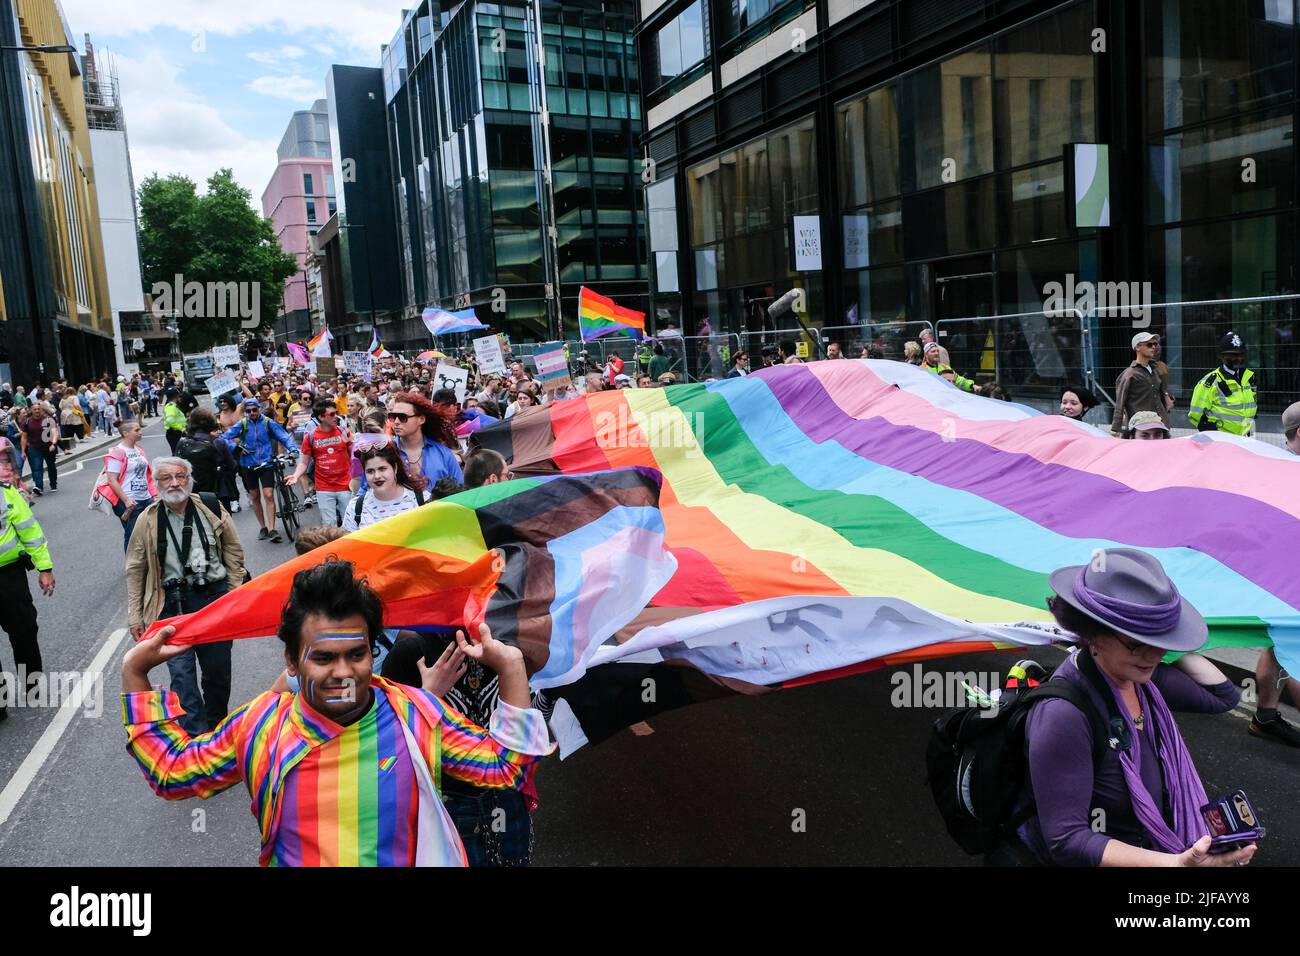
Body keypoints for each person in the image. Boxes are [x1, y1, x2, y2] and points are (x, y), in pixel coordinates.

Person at [120, 559, 553, 866]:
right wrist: (135, 672)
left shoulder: (414, 713)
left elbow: (505, 769)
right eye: (324, 658)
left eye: (357, 654)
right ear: (292, 663)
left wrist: (512, 665)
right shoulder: (260, 725)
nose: (344, 673)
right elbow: (173, 773)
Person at [997, 549, 1253, 867]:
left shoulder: (1142, 677)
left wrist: (1169, 637)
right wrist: (1175, 864)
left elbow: (1223, 696)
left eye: (1160, 641)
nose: (1152, 655)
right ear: (1092, 632)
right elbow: (1066, 839)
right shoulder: (1063, 714)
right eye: (1135, 641)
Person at [125, 457, 245, 736]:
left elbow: (234, 549)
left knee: (218, 673)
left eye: (180, 476)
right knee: (182, 677)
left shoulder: (210, 506)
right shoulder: (147, 519)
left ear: (190, 479)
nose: (175, 483)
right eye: (166, 478)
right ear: (157, 484)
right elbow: (135, 568)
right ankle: (196, 738)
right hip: (172, 604)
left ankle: (217, 729)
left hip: (214, 600)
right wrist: (135, 615)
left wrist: (234, 591)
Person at [1245, 400, 1300, 747]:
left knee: (1280, 646)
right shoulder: (1280, 471)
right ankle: (1264, 715)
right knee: (1292, 644)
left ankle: (1265, 715)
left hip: (1283, 578)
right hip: (1285, 580)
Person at [0, 460, 55, 703]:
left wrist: (45, 568)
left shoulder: (5, 493)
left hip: (9, 576)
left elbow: (30, 531)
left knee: (24, 632)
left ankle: (32, 685)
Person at [221, 398, 296, 544]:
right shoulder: (242, 424)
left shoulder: (268, 422)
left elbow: (283, 436)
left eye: (254, 410)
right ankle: (263, 528)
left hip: (266, 463)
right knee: (255, 495)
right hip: (247, 465)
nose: (251, 413)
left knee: (268, 494)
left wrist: (292, 449)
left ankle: (272, 528)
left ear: (258, 409)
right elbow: (223, 438)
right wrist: (235, 448)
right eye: (248, 411)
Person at [377, 392, 463, 492]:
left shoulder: (444, 455)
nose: (396, 422)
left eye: (402, 417)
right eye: (393, 416)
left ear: (421, 419)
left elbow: (460, 494)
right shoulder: (383, 452)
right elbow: (365, 492)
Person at [287, 399, 353, 529]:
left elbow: (354, 457)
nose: (336, 417)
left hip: (346, 485)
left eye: (336, 413)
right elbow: (304, 462)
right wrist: (295, 475)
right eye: (332, 414)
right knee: (329, 527)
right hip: (324, 487)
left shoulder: (344, 432)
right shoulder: (311, 437)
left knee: (350, 525)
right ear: (321, 417)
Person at [343, 443, 427, 532]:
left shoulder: (422, 499)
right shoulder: (355, 507)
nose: (377, 476)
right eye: (370, 471)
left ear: (395, 468)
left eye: (382, 469)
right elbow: (346, 544)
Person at [100, 420, 157, 551]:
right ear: (126, 433)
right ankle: (133, 568)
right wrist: (126, 500)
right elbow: (112, 479)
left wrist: (153, 494)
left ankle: (147, 564)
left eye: (140, 429)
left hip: (146, 498)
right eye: (136, 430)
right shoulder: (117, 452)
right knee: (132, 536)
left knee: (149, 534)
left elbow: (147, 475)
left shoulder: (139, 450)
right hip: (129, 501)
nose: (140, 432)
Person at [1188, 331, 1258, 436]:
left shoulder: (1249, 378)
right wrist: (1210, 431)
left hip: (1246, 439)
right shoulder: (1210, 382)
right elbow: (1195, 414)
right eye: (1233, 355)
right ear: (1221, 357)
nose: (1237, 359)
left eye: (1240, 355)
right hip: (1222, 441)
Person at [175, 409, 239, 511]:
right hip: (218, 491)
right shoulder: (218, 442)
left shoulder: (183, 443)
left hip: (192, 492)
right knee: (222, 523)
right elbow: (232, 466)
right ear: (210, 422)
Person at [1111, 332, 1172, 437]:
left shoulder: (1155, 370)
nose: (1153, 347)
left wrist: (1167, 398)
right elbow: (1120, 402)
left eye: (1155, 344)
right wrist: (1116, 428)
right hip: (1140, 427)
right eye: (1149, 344)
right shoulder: (1130, 374)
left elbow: (1159, 394)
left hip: (1160, 425)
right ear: (1138, 347)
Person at [19, 403, 59, 495]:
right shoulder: (27, 422)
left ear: (41, 410)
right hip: (34, 448)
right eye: (35, 409)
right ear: (31, 411)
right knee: (37, 467)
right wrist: (23, 451)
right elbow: (24, 437)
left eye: (38, 409)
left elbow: (55, 432)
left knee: (51, 465)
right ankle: (39, 487)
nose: (37, 411)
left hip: (49, 447)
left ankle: (53, 484)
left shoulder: (49, 419)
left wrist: (53, 444)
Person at [161, 389, 187, 455]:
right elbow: (170, 421)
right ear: (176, 396)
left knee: (179, 453)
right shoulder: (171, 407)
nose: (180, 398)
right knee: (177, 454)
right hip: (174, 433)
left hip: (176, 433)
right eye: (179, 396)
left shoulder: (173, 406)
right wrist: (181, 428)